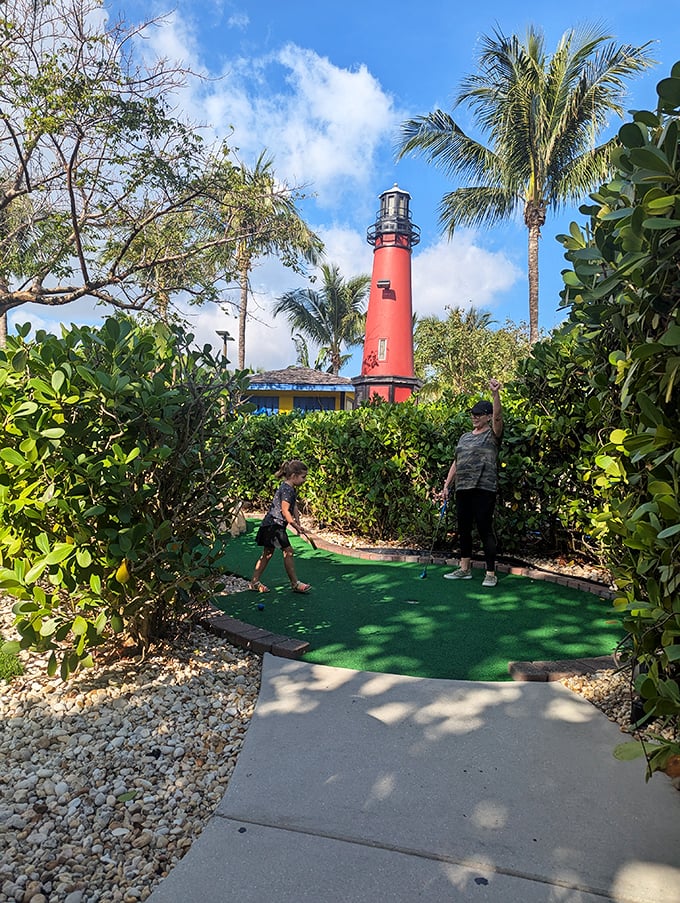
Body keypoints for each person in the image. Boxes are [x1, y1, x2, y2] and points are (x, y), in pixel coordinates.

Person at [440, 378, 504, 587]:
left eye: (479, 414)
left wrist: (495, 394)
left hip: (484, 488)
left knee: (485, 529)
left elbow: (498, 417)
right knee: (464, 529)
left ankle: (490, 573)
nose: (474, 417)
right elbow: (457, 461)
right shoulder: (465, 437)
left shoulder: (492, 435)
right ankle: (464, 568)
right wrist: (447, 485)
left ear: (487, 417)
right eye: (473, 414)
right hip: (463, 489)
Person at [249, 460, 312, 594]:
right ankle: (295, 583)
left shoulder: (289, 488)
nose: (305, 480)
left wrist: (298, 523)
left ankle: (254, 582)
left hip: (273, 524)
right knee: (287, 551)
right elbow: (285, 510)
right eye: (303, 477)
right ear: (294, 476)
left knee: (268, 553)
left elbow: (294, 506)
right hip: (274, 525)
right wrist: (294, 525)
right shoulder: (287, 490)